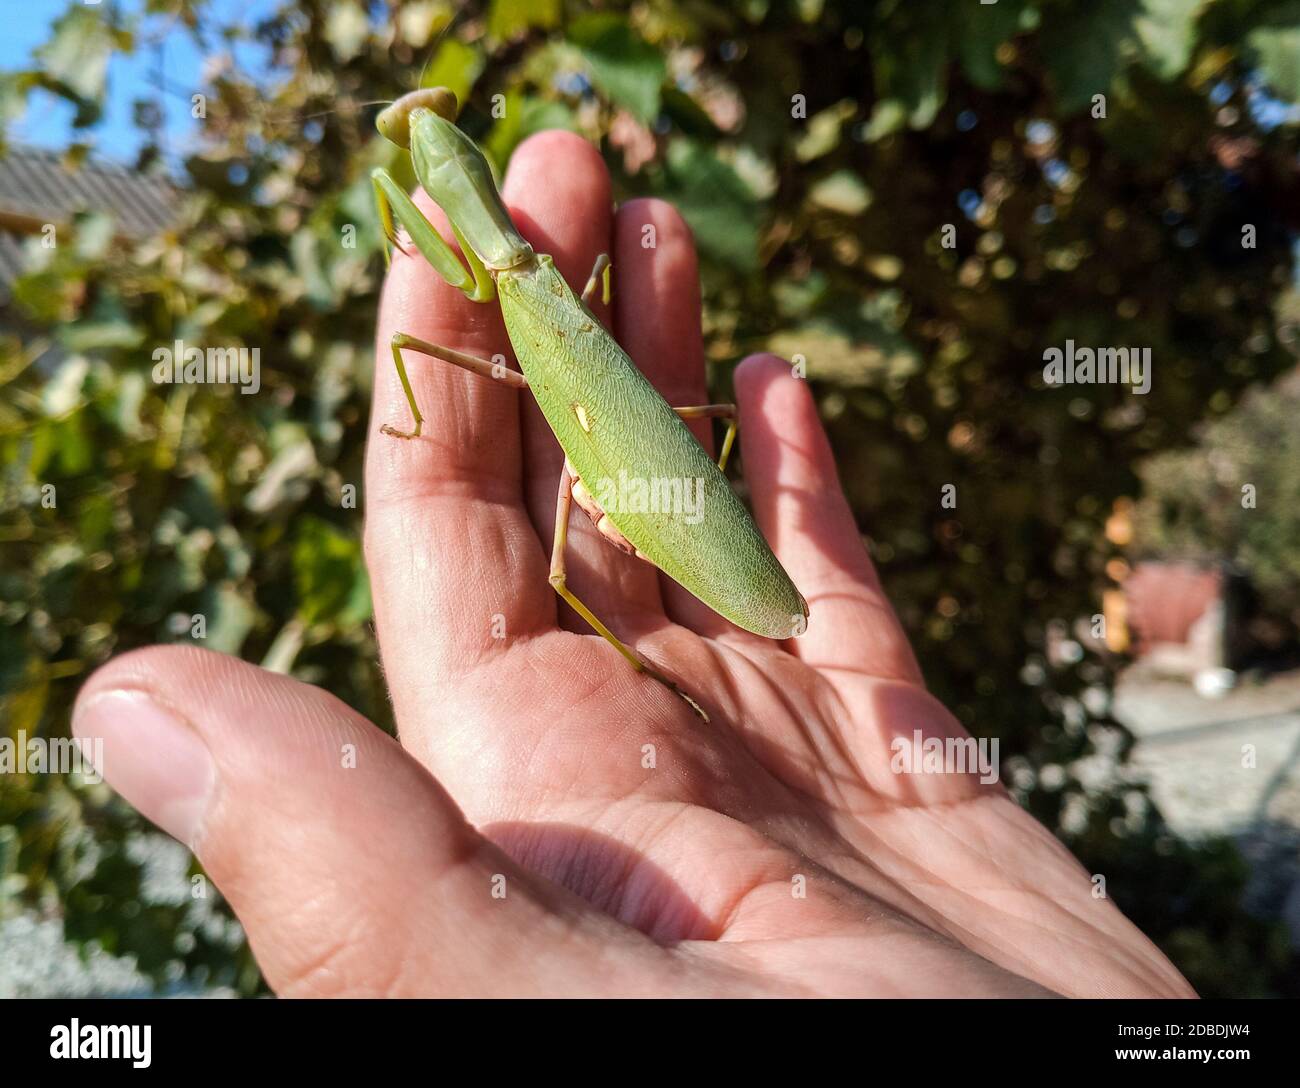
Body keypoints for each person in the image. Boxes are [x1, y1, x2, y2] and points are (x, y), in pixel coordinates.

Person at [72, 132, 1194, 998]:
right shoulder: (534, 280)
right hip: (607, 400)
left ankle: (677, 625)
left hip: (609, 426)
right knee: (670, 434)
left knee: (556, 563)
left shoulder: (514, 287)